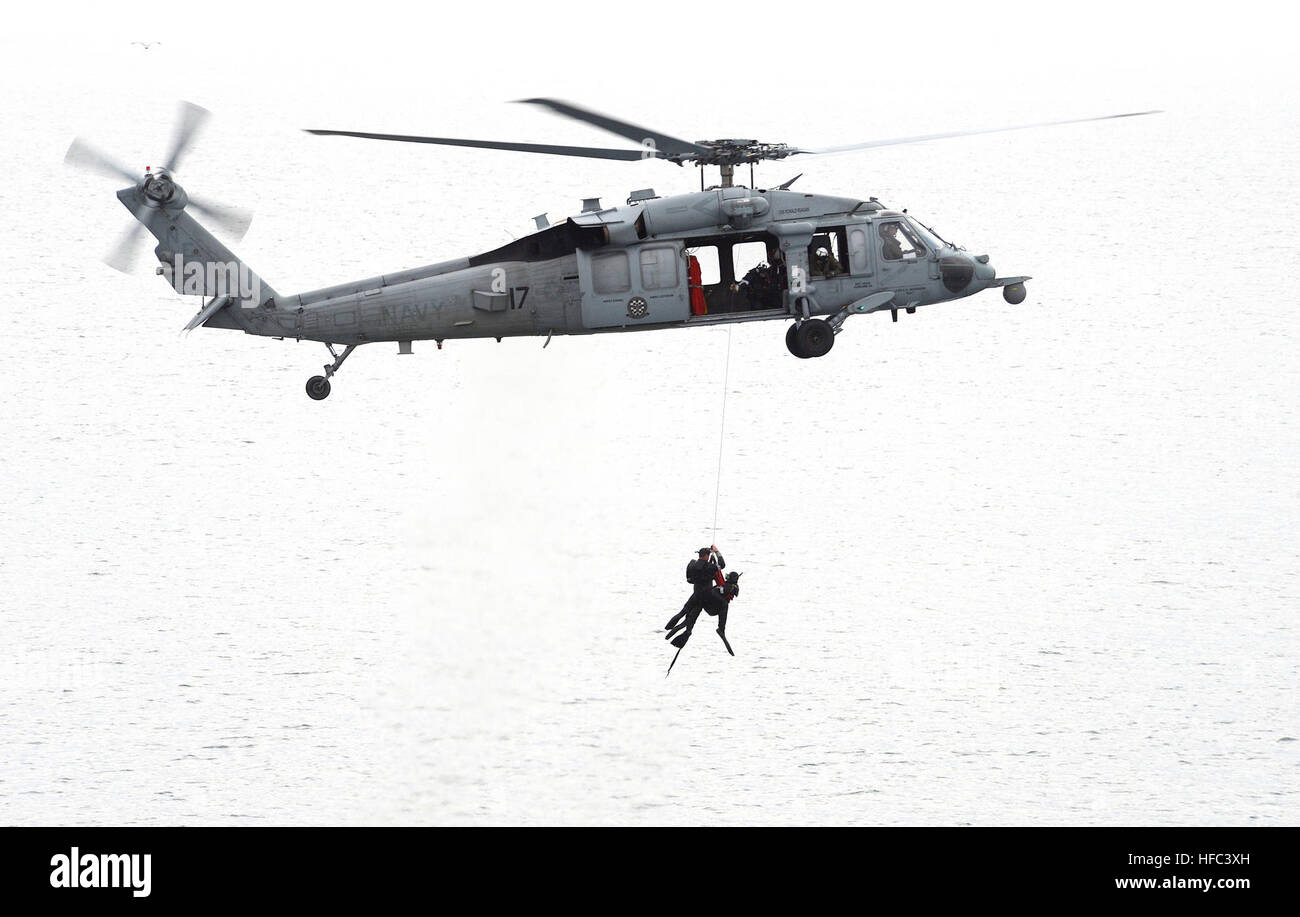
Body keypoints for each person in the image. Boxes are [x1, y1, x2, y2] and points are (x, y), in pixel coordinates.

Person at [665, 546, 731, 644]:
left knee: (682, 613)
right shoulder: (709, 567)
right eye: (708, 556)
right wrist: (716, 552)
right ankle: (721, 629)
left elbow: (689, 580)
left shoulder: (692, 565)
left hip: (696, 595)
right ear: (706, 556)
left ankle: (668, 628)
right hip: (707, 596)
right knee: (725, 604)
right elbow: (722, 564)